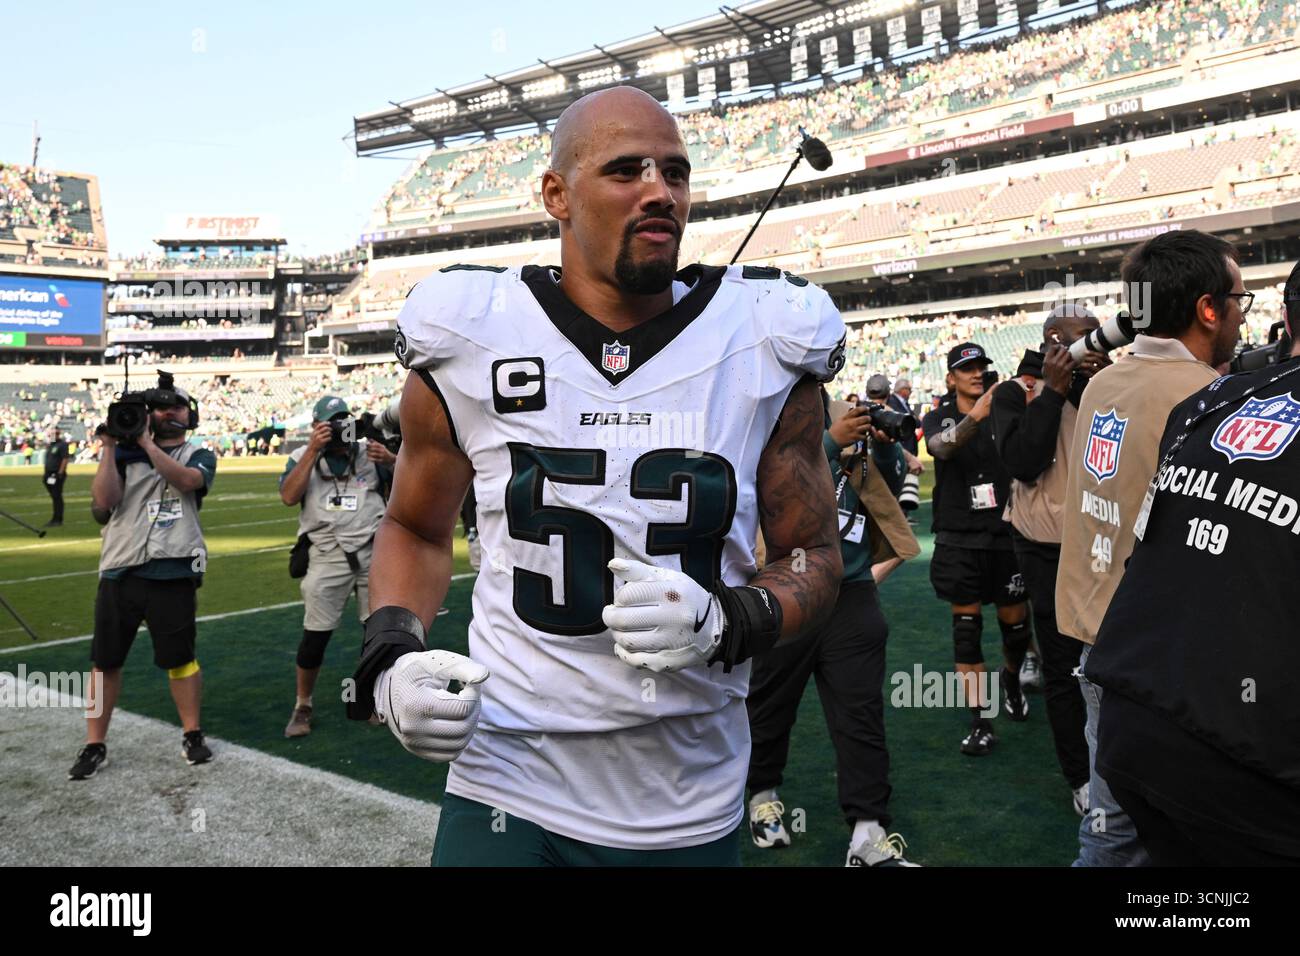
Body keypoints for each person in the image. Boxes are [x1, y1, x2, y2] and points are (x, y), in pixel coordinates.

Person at [349, 86, 845, 866]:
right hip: (506, 776)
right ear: (556, 194)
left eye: (675, 174)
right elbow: (414, 525)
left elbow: (815, 557)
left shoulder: (763, 339)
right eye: (626, 171)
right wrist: (389, 656)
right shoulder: (473, 332)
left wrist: (729, 620)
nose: (660, 192)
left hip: (684, 794)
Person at [1086, 262, 1300, 865]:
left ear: (1287, 317)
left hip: (1137, 706)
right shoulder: (1192, 387)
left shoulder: (1211, 397)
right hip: (1245, 756)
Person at [1056, 229, 1246, 866]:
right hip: (1161, 654)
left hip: (1096, 637)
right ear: (1207, 308)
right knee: (1169, 840)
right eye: (1239, 297)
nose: (1244, 313)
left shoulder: (1105, 384)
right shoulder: (1203, 398)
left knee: (1113, 832)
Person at [746, 392, 920, 867]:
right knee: (770, 706)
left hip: (851, 592)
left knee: (860, 715)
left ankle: (868, 831)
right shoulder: (763, 420)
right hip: (787, 591)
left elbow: (891, 482)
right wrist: (826, 442)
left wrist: (882, 445)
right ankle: (762, 797)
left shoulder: (845, 419)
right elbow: (772, 484)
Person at [990, 306, 1110, 815]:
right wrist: (1055, 389)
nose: (1097, 347)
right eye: (1087, 339)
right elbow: (1023, 460)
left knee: (1113, 658)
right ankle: (1080, 777)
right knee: (1064, 664)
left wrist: (1097, 383)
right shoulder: (1014, 392)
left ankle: (1120, 762)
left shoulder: (1106, 382)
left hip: (1104, 538)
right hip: (1044, 544)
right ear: (1056, 341)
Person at [69, 375, 217, 780]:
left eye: (177, 406)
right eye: (161, 406)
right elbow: (103, 502)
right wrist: (110, 448)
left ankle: (192, 733)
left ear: (190, 414)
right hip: (121, 568)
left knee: (180, 658)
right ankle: (95, 742)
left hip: (173, 568)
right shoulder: (119, 454)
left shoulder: (197, 452)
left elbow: (188, 482)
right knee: (105, 661)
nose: (170, 412)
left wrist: (149, 445)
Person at [922, 342, 1033, 756]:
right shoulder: (939, 416)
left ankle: (1011, 677)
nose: (976, 373)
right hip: (959, 539)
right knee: (966, 634)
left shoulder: (1007, 409)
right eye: (966, 368)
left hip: (1005, 537)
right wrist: (977, 415)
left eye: (981, 367)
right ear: (951, 377)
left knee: (1016, 627)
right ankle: (980, 721)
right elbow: (940, 448)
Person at [279, 396, 395, 737]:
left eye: (344, 421)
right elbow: (288, 496)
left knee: (375, 632)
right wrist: (313, 450)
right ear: (318, 427)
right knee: (315, 635)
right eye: (332, 423)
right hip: (326, 554)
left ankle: (371, 698)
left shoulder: (370, 453)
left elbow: (413, 486)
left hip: (371, 552)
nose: (341, 429)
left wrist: (392, 459)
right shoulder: (302, 456)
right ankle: (303, 704)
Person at [43, 427, 70, 527]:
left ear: (58, 434)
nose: (50, 436)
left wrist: (60, 473)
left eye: (53, 434)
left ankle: (57, 519)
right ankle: (55, 518)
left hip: (56, 474)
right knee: (54, 496)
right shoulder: (51, 445)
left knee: (57, 496)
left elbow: (65, 459)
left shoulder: (62, 445)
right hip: (48, 474)